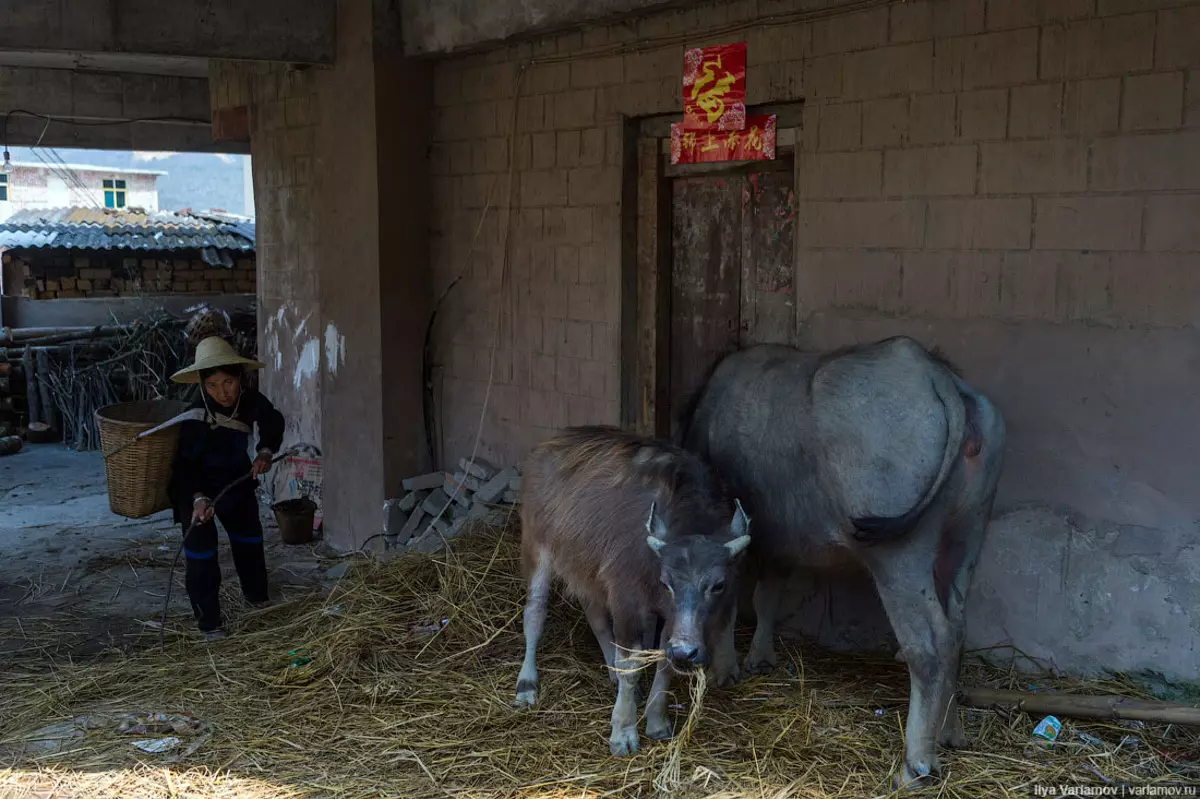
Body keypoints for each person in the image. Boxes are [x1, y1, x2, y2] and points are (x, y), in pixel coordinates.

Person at [167, 336, 285, 642]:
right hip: (196, 491)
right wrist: (198, 500)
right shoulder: (194, 417)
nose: (222, 392)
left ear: (240, 379)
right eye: (213, 385)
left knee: (249, 541)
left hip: (236, 479)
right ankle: (210, 625)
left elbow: (272, 421)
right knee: (202, 556)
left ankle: (258, 602)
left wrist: (265, 452)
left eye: (229, 382)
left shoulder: (250, 399)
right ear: (203, 386)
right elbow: (183, 467)